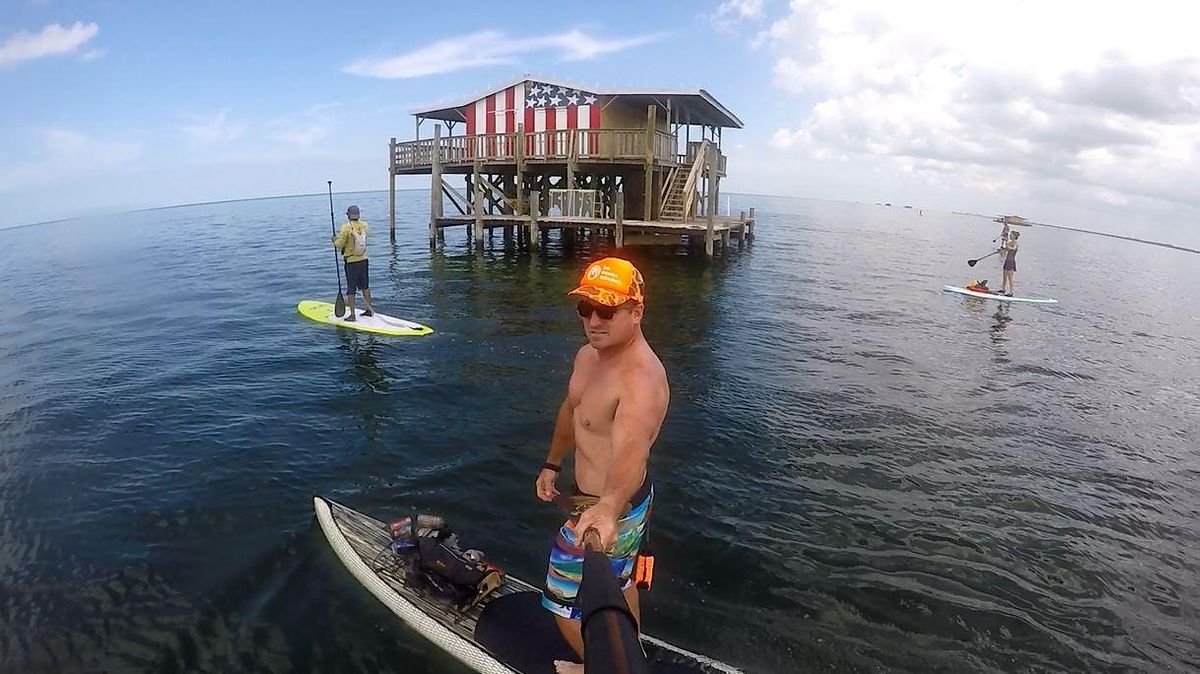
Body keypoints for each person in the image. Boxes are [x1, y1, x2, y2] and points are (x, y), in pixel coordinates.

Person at [534, 257, 668, 674]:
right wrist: (552, 464)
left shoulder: (640, 379)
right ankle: (631, 657)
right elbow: (573, 411)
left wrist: (608, 508)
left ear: (636, 312)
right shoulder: (588, 356)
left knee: (561, 598)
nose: (594, 320)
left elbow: (632, 449)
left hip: (614, 508)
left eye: (608, 311)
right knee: (623, 582)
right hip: (598, 497)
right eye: (585, 309)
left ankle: (600, 666)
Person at [331, 205, 374, 321]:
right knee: (365, 286)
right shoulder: (365, 226)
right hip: (364, 260)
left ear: (348, 215)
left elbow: (340, 245)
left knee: (351, 289)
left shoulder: (346, 228)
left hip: (351, 262)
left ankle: (352, 315)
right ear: (358, 214)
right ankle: (369, 310)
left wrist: (334, 241)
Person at [1001, 230, 1020, 296]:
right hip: (1007, 261)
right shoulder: (1009, 243)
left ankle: (1011, 292)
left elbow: (1014, 248)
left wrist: (1008, 246)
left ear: (1015, 236)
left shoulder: (1016, 243)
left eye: (1011, 235)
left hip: (1011, 261)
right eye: (1010, 234)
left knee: (1010, 278)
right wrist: (1004, 247)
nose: (1010, 235)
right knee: (1004, 277)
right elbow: (1006, 249)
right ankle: (1003, 289)